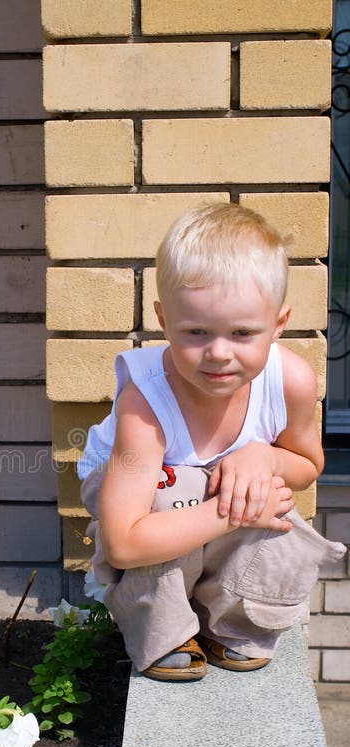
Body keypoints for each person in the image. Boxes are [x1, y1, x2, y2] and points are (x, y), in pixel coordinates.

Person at [78, 203, 346, 682]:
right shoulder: (145, 404)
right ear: (163, 320)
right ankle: (162, 629)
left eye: (243, 333)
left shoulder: (292, 381)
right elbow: (122, 542)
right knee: (176, 491)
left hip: (207, 492)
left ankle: (230, 622)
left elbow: (306, 464)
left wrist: (263, 456)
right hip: (140, 497)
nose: (219, 353)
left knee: (268, 493)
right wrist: (229, 513)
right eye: (196, 332)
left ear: (279, 324)